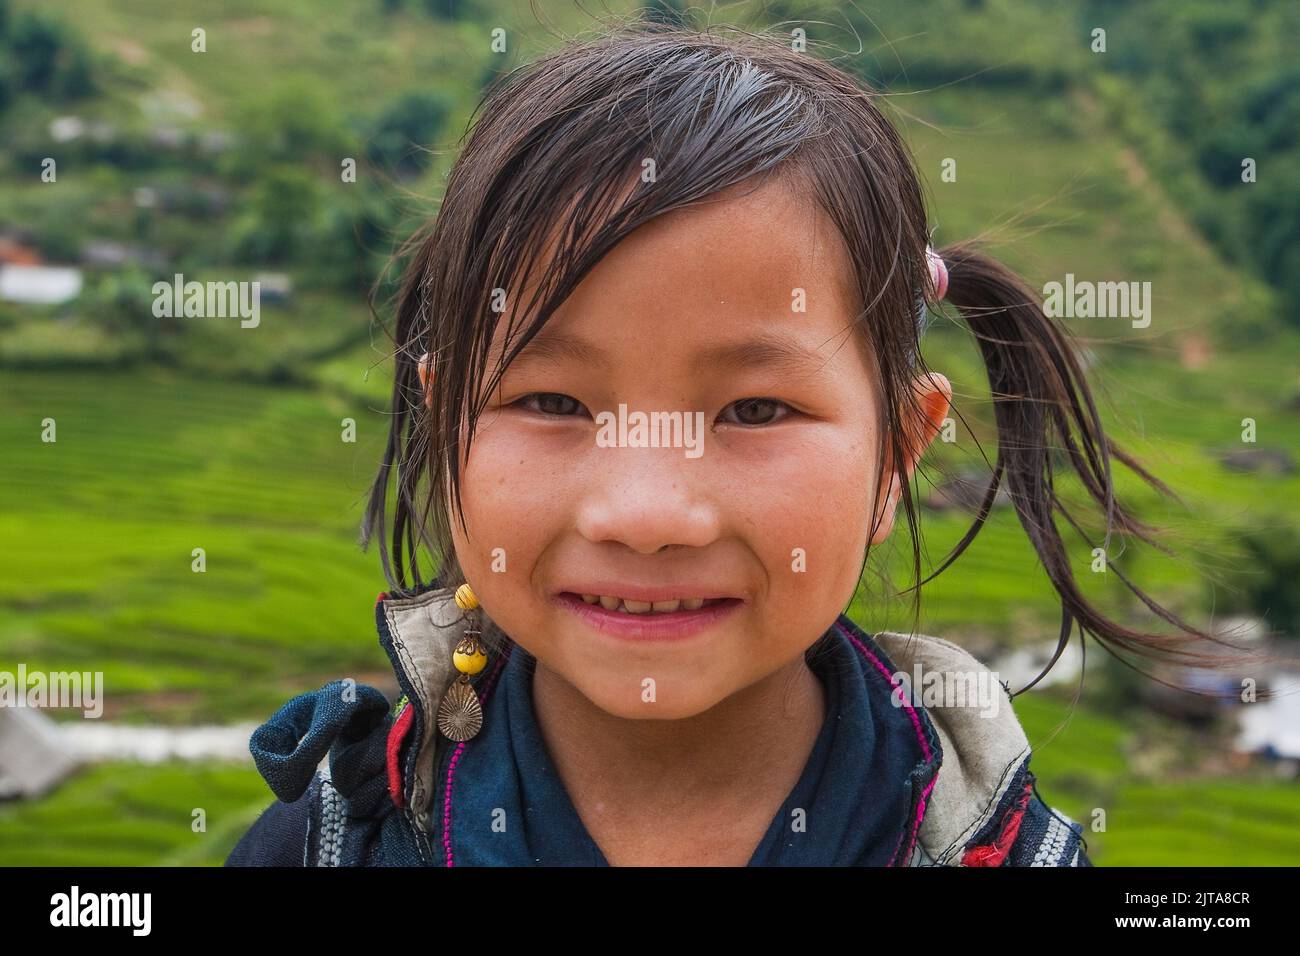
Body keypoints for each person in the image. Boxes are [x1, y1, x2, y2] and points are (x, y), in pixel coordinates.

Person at [226, 21, 1247, 867]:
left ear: (897, 452)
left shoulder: (1001, 853)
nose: (646, 512)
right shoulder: (334, 836)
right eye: (550, 401)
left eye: (754, 410)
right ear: (448, 427)